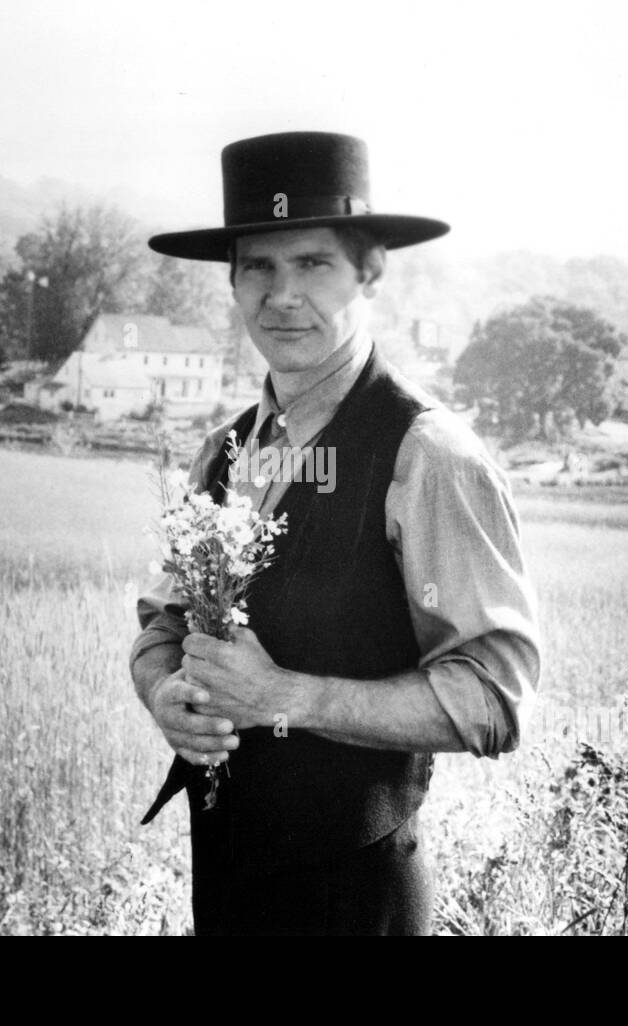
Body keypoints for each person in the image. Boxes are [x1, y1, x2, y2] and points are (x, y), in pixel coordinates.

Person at [130, 131, 541, 935]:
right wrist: (164, 697)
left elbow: (493, 700)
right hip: (226, 886)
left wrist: (287, 697)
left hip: (358, 901)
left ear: (371, 272)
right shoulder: (222, 452)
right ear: (233, 281)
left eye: (313, 264)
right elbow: (161, 626)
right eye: (259, 267)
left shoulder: (426, 454)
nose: (282, 296)